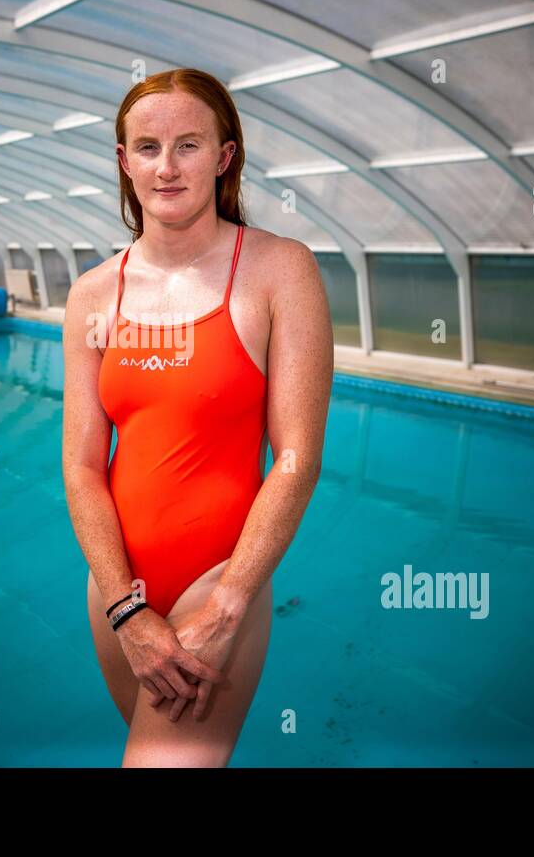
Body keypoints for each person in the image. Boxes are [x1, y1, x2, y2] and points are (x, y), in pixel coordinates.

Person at [62, 67, 333, 766]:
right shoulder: (93, 294)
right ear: (124, 162)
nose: (167, 166)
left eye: (189, 144)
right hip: (117, 590)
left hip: (218, 586)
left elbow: (297, 458)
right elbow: (82, 466)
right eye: (147, 147)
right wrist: (125, 607)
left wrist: (231, 604)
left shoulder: (280, 270)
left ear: (225, 155)